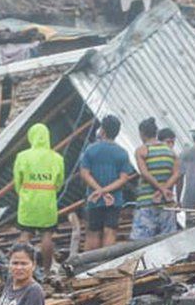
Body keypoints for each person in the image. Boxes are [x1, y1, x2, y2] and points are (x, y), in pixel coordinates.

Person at [12, 122, 65, 272]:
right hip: (47, 202)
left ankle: (20, 268)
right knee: (47, 236)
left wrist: (22, 193)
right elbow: (59, 182)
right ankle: (47, 271)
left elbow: (17, 181)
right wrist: (50, 190)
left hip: (28, 201)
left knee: (25, 235)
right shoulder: (57, 158)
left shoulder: (22, 156)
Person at [78, 116, 134, 251]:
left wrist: (99, 190)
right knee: (110, 232)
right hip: (114, 200)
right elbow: (123, 178)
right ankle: (106, 262)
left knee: (93, 232)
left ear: (102, 130)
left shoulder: (91, 150)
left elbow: (84, 173)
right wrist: (105, 191)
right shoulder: (122, 153)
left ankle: (92, 262)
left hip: (94, 199)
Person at [132, 117, 180, 242]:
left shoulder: (142, 150)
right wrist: (164, 190)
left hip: (147, 203)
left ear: (142, 134)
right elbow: (176, 174)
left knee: (141, 244)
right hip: (167, 205)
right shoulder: (170, 152)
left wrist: (160, 189)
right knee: (168, 243)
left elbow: (144, 173)